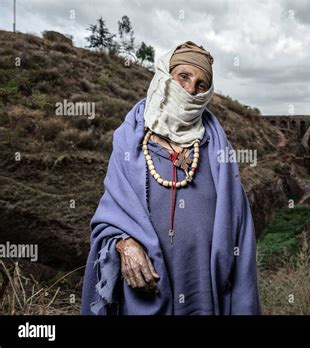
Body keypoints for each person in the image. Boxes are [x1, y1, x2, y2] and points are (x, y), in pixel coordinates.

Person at [80, 41, 261, 315]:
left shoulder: (215, 145)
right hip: (147, 295)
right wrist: (124, 243)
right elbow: (108, 217)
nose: (190, 90)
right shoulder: (129, 139)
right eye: (183, 77)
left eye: (201, 84)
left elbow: (240, 230)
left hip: (205, 293)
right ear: (165, 76)